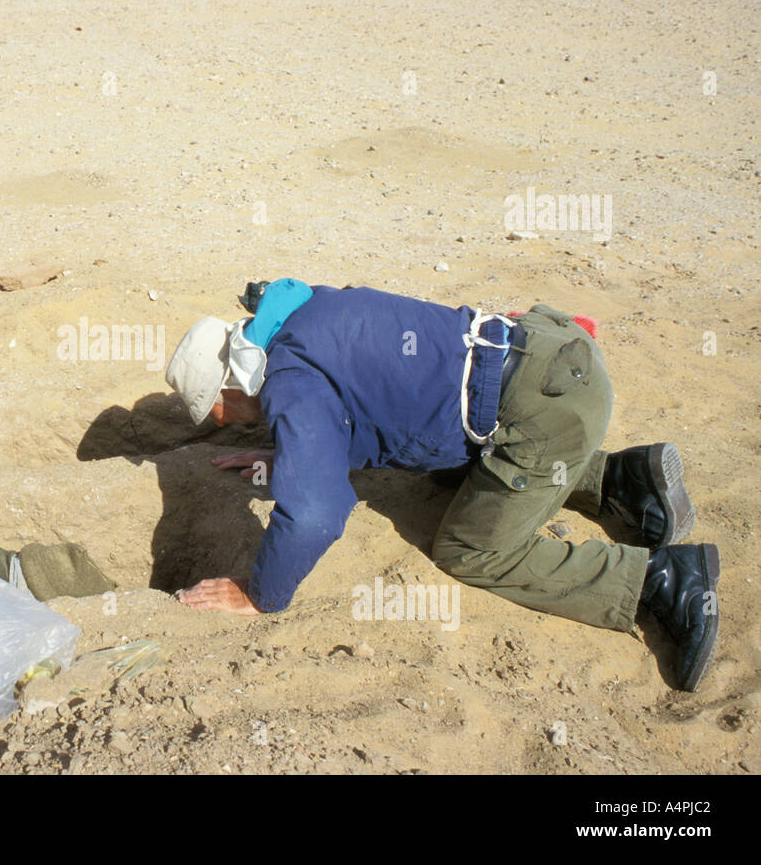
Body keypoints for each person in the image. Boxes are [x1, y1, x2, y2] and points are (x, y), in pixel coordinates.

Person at [164, 279, 719, 692]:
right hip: (551, 350)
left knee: (471, 549)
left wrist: (259, 593)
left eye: (225, 416)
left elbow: (314, 514)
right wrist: (292, 447)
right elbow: (362, 395)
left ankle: (662, 580)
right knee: (443, 463)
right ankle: (624, 481)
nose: (237, 424)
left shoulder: (290, 385)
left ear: (230, 388)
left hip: (547, 412)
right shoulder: (305, 313)